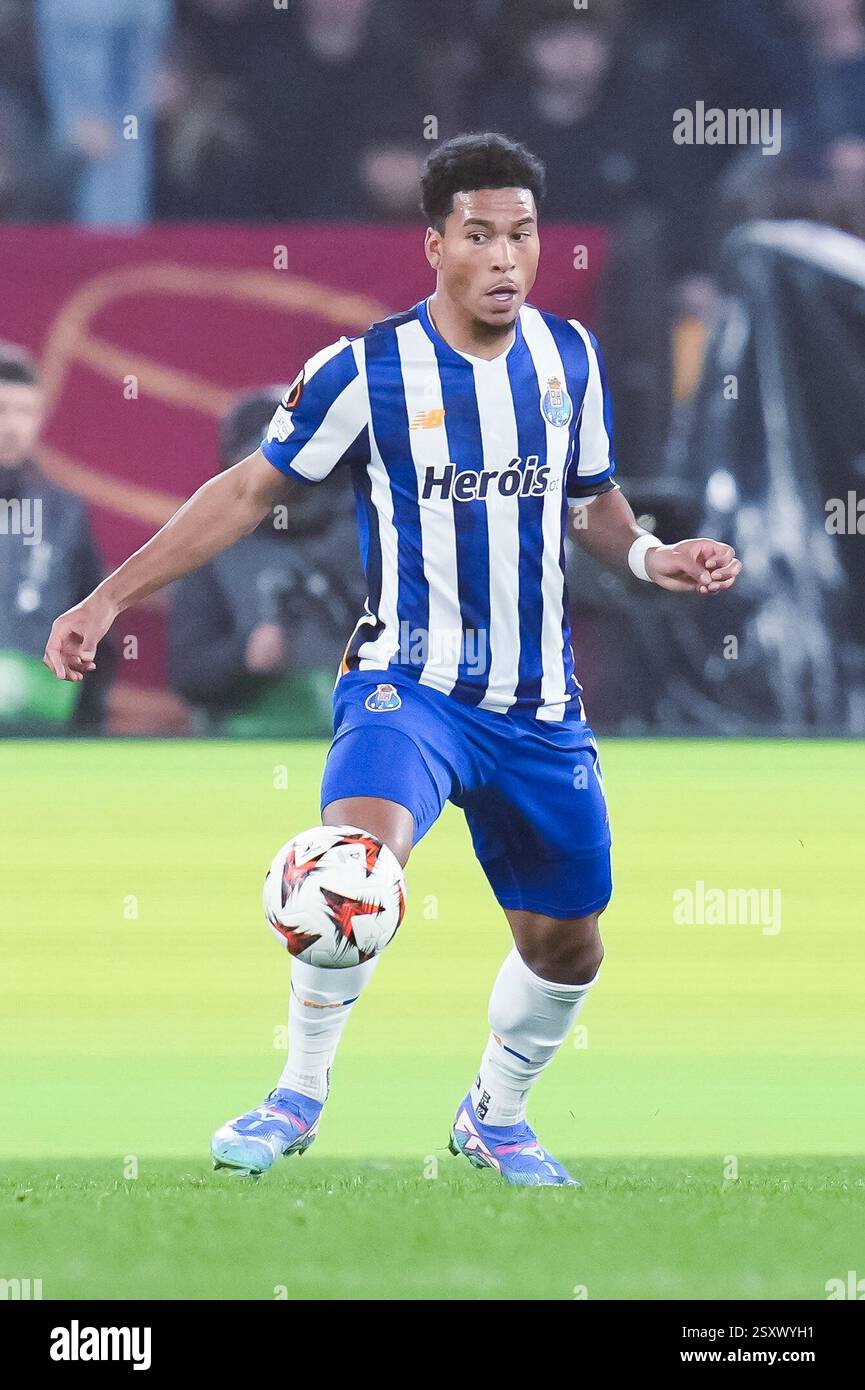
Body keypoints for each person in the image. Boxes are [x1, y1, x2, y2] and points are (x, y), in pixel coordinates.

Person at [43, 133, 742, 1186]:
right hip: (404, 686)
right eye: (480, 236)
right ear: (434, 246)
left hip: (537, 706)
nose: (507, 258)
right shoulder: (363, 372)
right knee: (348, 874)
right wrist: (105, 598)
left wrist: (651, 554)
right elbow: (244, 494)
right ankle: (298, 1094)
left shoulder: (569, 359)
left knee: (568, 952)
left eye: (523, 235)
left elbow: (593, 502)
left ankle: (492, 1116)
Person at [0, 342, 110, 734]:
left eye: (25, 412)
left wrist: (91, 725)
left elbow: (95, 613)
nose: (12, 427)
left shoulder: (65, 512)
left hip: (45, 717)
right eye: (1, 411)